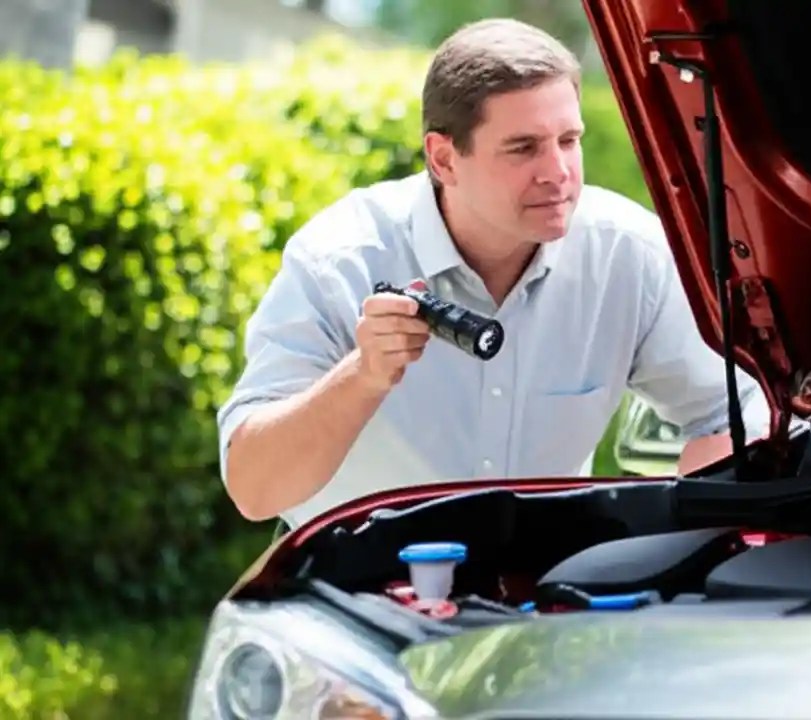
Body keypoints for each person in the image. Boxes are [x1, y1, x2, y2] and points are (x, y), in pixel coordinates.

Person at [216, 18, 771, 529]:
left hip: (542, 593)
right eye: (523, 148)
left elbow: (736, 418)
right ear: (443, 159)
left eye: (568, 141)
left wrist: (686, 533)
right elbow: (254, 490)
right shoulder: (338, 259)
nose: (557, 173)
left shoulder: (628, 254)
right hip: (362, 599)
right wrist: (362, 376)